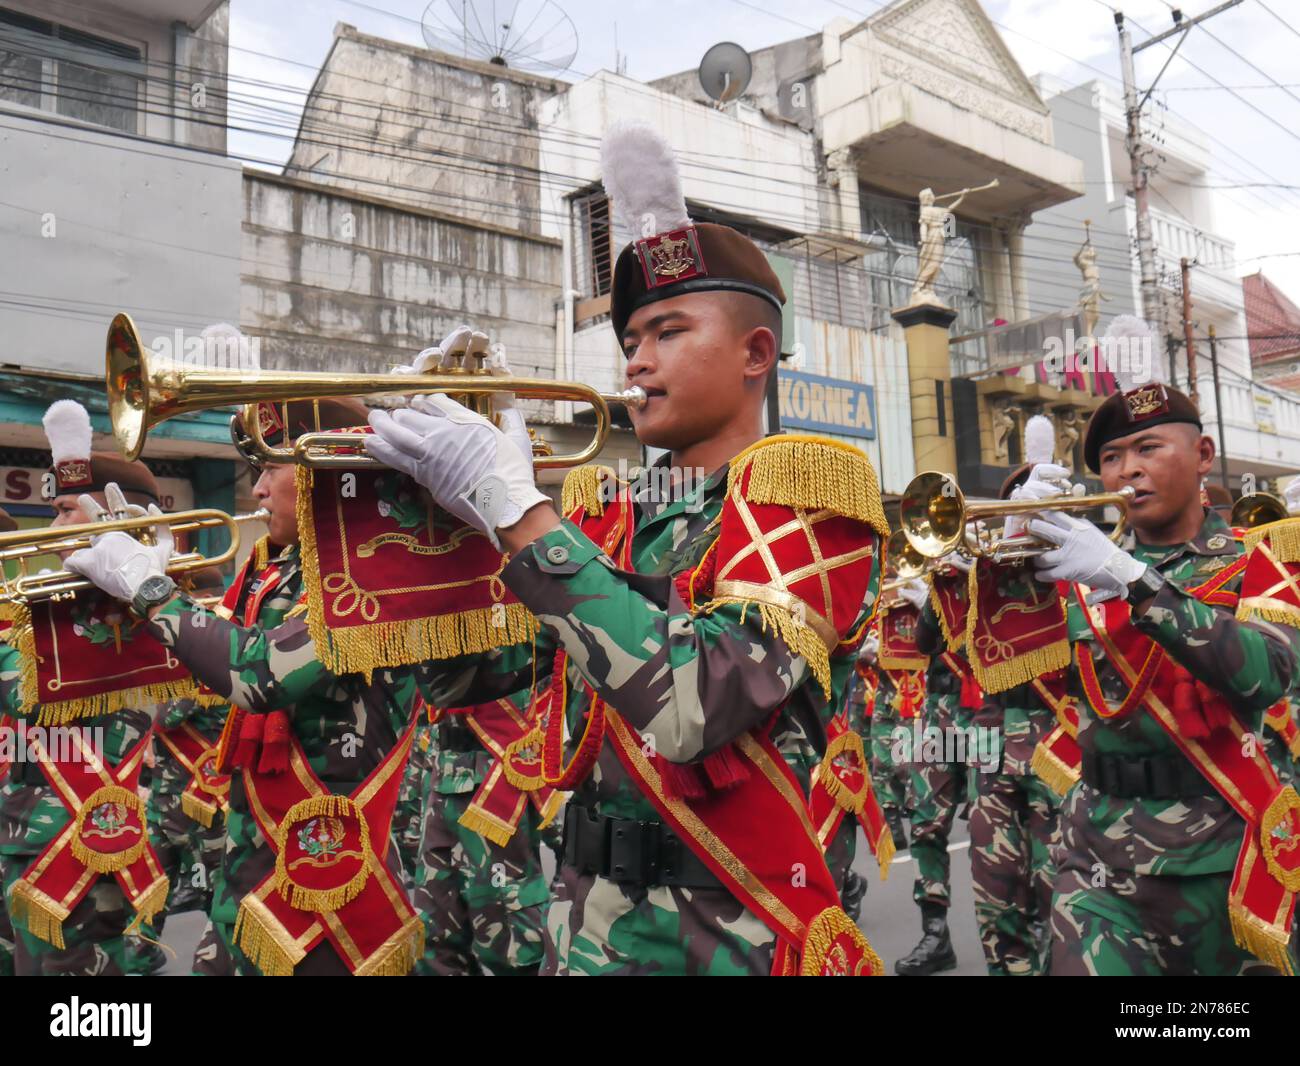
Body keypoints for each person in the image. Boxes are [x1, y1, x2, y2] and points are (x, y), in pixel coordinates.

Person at [367, 122, 889, 975]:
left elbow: (694, 707)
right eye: (630, 341)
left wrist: (519, 512)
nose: (636, 365)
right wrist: (445, 526)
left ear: (757, 352)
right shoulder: (611, 516)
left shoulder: (807, 489)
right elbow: (472, 684)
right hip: (590, 931)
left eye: (668, 333)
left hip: (731, 937)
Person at [1005, 351, 1300, 975]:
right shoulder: (1081, 564)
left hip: (1219, 854)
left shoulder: (1256, 564)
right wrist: (1012, 545)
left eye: (1148, 448)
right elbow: (998, 660)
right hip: (1096, 855)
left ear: (1203, 456)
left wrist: (1136, 582)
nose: (1128, 470)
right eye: (1111, 458)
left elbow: (1266, 673)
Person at [0, 402, 167, 975]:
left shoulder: (130, 614)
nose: (50, 530)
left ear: (115, 517)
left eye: (66, 510)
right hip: (29, 833)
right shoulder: (59, 605)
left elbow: (26, 692)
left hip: (84, 843)